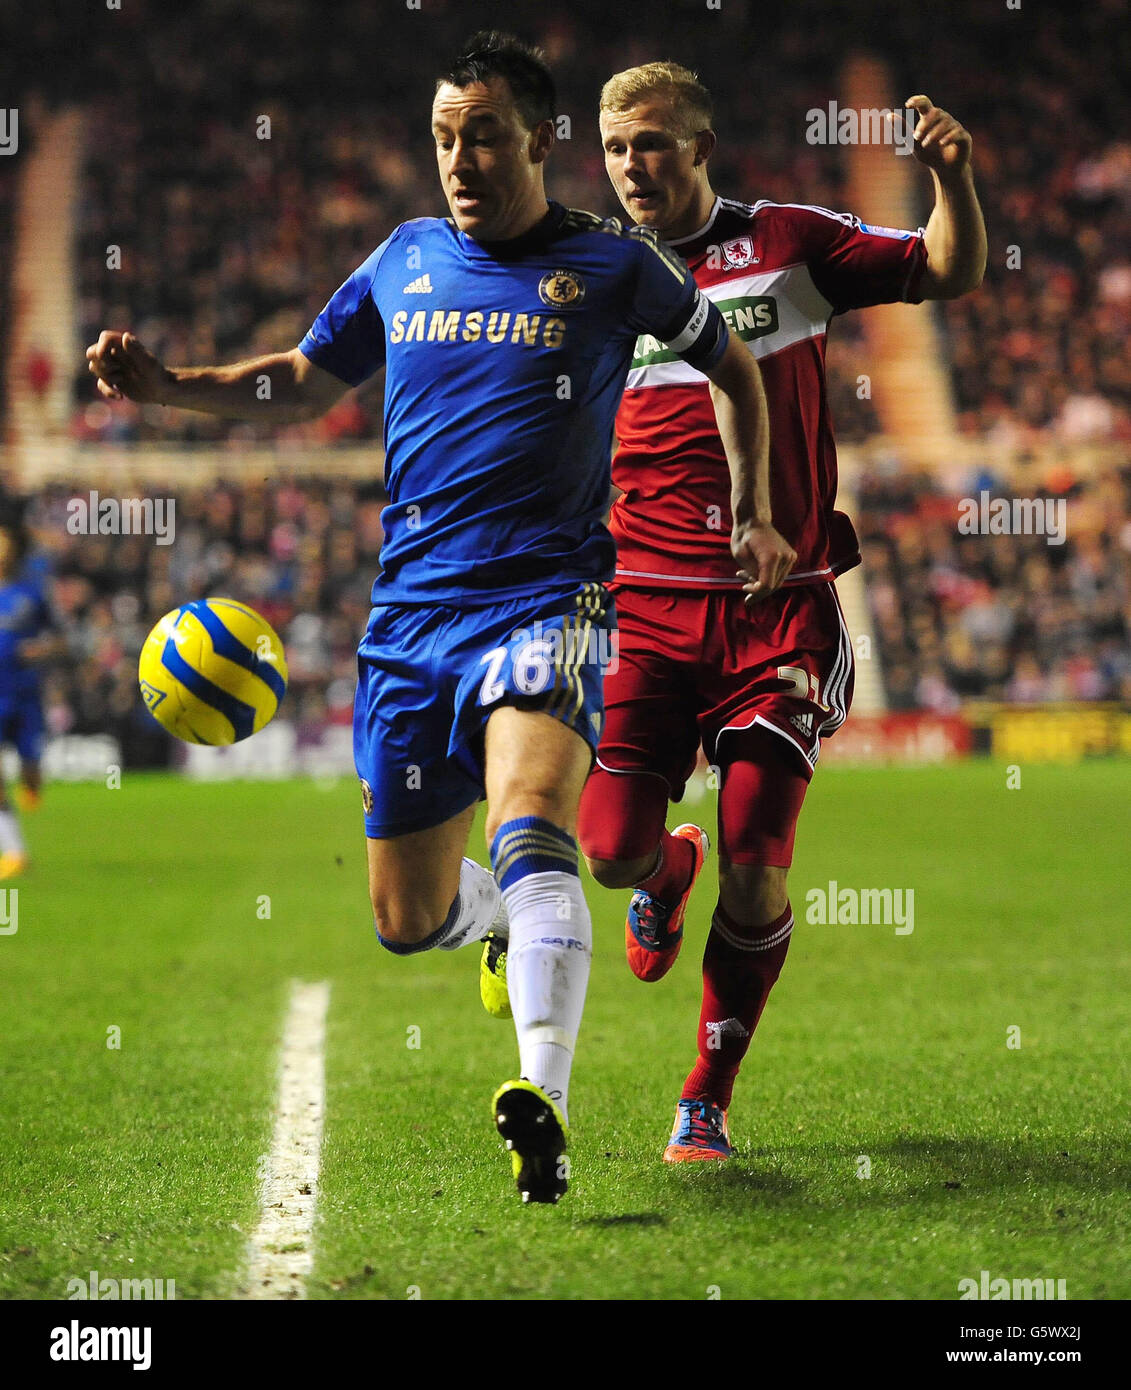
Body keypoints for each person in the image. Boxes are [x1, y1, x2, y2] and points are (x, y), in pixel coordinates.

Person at [86, 34, 793, 1203]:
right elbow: (304, 381)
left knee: (530, 823)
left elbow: (738, 368)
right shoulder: (404, 258)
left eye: (482, 137)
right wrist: (171, 386)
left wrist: (754, 511)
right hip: (410, 618)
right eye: (443, 138)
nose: (459, 160)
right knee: (406, 918)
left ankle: (544, 1096)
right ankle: (509, 930)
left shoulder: (615, 265)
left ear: (537, 141)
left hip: (551, 596)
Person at [579, 63, 986, 1162]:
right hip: (649, 617)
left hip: (779, 613)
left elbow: (948, 269)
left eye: (654, 144)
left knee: (759, 858)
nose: (634, 167)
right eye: (617, 149)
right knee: (606, 851)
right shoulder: (593, 280)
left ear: (702, 145)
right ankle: (665, 868)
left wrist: (950, 178)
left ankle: (705, 1094)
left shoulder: (790, 246)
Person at [0, 508, 60, 879]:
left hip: (24, 697)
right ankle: (15, 851)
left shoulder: (31, 593)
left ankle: (32, 785)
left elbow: (59, 639)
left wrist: (40, 650)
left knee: (30, 772)